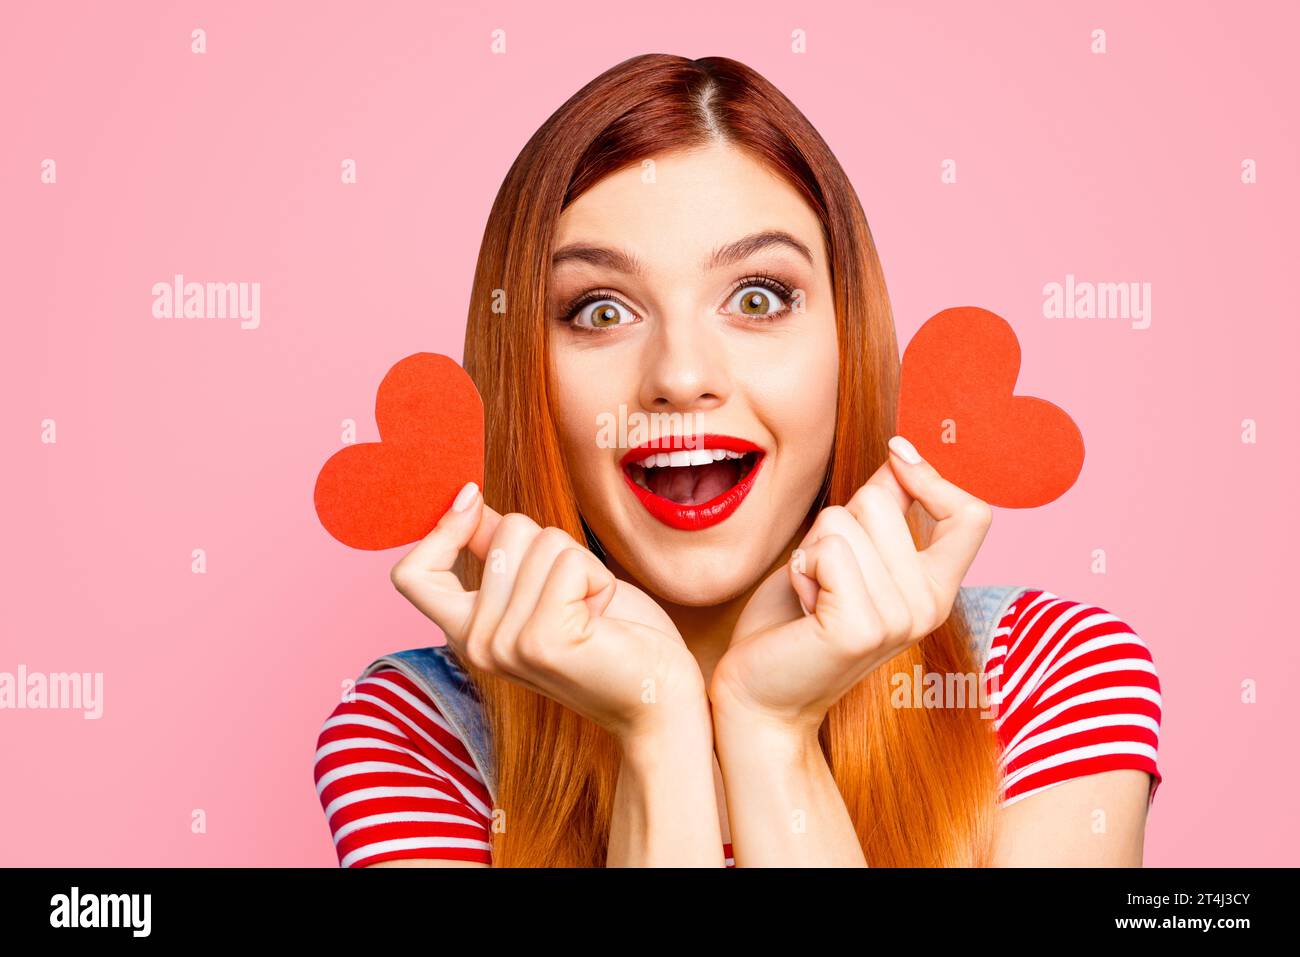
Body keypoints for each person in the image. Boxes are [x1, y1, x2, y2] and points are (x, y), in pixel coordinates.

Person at [314, 54, 1162, 868]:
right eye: (601, 310)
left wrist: (771, 733)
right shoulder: (411, 735)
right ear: (523, 369)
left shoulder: (1055, 678)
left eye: (758, 298)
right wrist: (657, 731)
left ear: (848, 342)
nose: (681, 376)